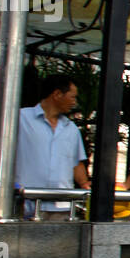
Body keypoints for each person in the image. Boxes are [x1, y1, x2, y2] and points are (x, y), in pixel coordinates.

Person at [16, 74, 90, 221]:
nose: (74, 102)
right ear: (57, 94)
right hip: (24, 204)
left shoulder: (71, 129)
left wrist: (84, 185)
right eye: (72, 97)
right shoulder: (20, 118)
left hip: (61, 206)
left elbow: (76, 164)